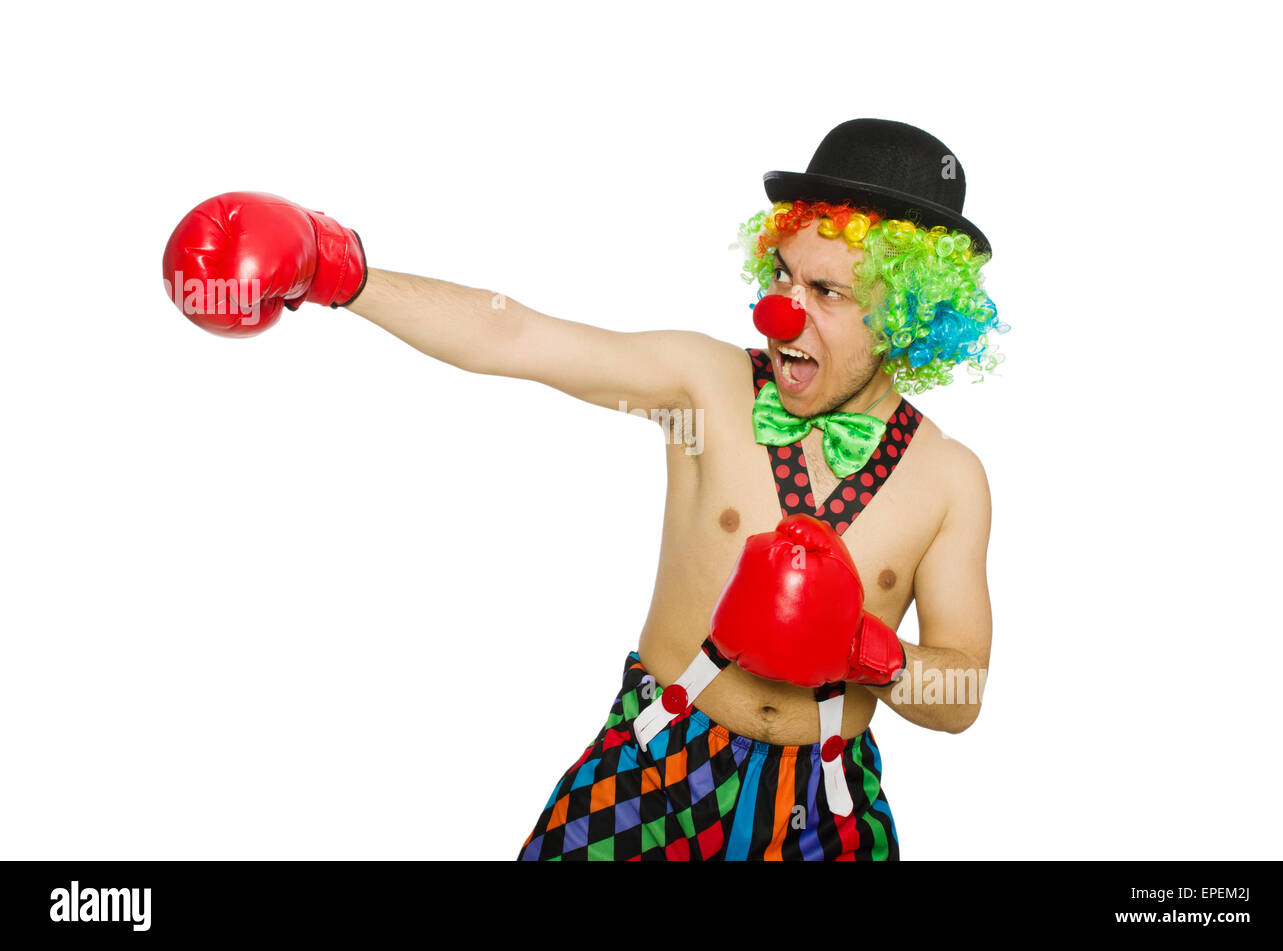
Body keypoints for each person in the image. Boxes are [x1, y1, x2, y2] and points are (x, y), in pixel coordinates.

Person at [161, 118, 1007, 861]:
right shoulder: (702, 394)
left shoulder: (948, 479)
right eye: (781, 276)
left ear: (906, 318)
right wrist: (337, 270)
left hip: (825, 807)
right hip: (657, 764)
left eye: (825, 292)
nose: (782, 312)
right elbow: (521, 336)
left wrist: (865, 652)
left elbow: (961, 694)